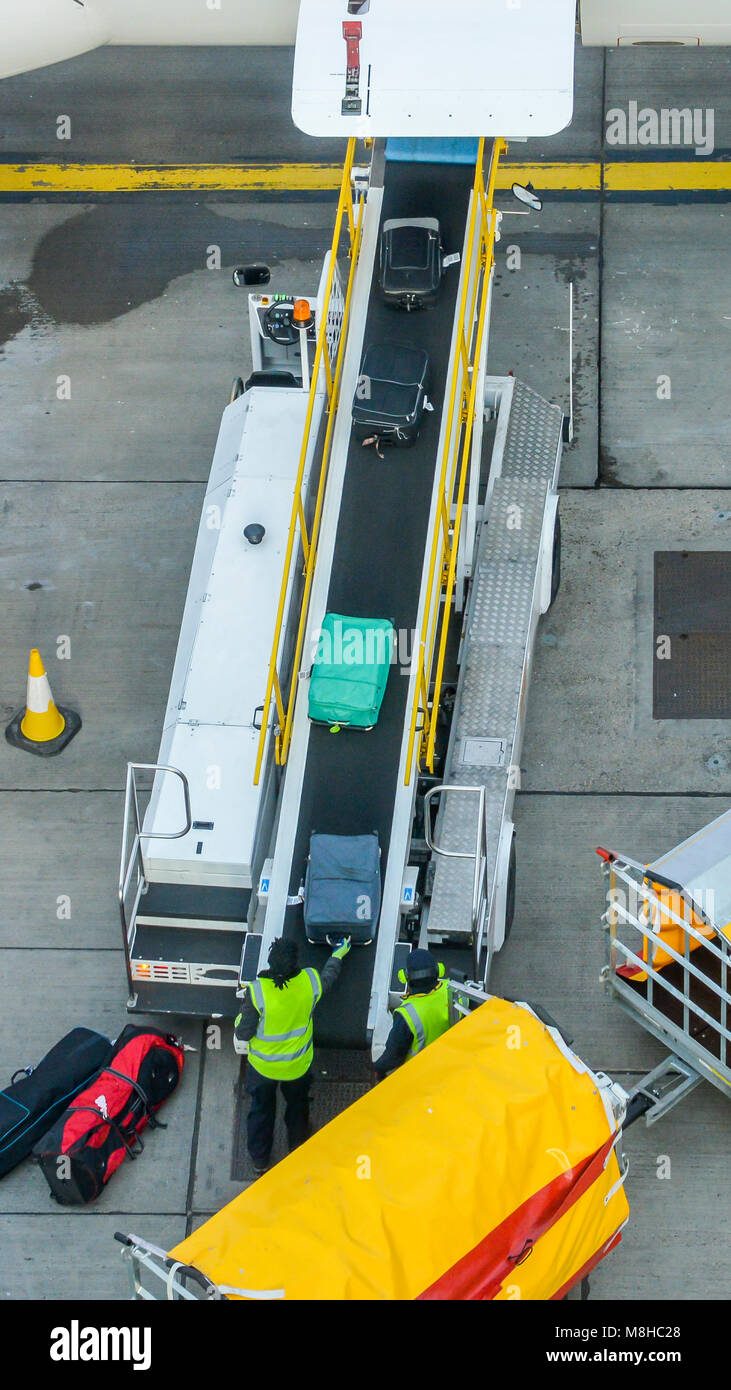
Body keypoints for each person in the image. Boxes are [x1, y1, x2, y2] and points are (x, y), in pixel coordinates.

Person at [235, 934, 350, 1174]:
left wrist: (239, 1018)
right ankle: (296, 1148)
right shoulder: (309, 981)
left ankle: (259, 1160)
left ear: (270, 962)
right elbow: (329, 977)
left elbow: (243, 1033)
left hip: (263, 1068)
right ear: (295, 963)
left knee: (261, 1110)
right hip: (298, 1066)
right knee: (298, 1107)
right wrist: (337, 955)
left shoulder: (257, 992)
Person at [373, 948, 450, 1082]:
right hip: (452, 1064)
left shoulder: (407, 1014)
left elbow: (392, 1057)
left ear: (405, 977)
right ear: (439, 971)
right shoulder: (454, 990)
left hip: (420, 1075)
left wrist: (377, 1069)